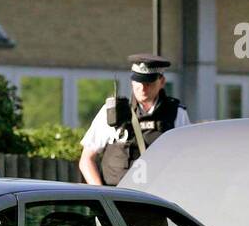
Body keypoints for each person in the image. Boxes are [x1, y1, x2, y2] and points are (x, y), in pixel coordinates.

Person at [78, 54, 189, 186]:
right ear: (132, 81)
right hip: (116, 200)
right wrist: (101, 194)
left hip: (158, 199)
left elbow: (186, 161)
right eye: (139, 81)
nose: (143, 88)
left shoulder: (177, 114)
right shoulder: (112, 111)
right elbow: (86, 160)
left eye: (149, 82)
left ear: (162, 82)